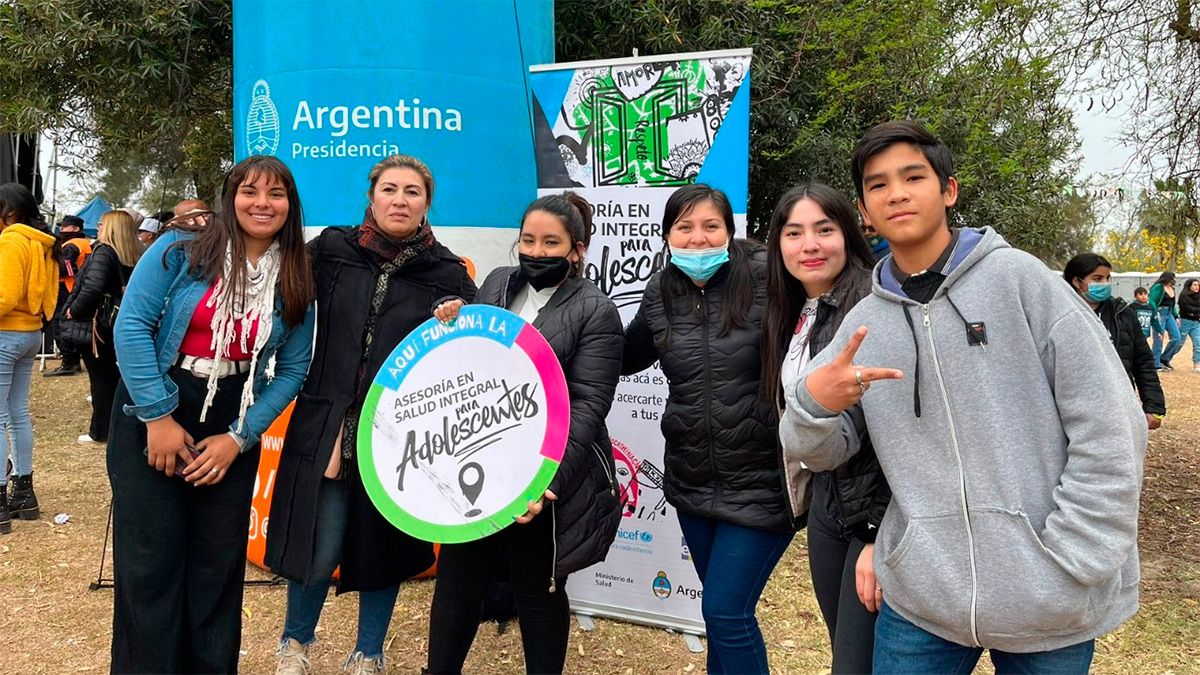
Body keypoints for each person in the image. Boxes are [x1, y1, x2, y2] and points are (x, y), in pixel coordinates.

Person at [784, 120, 1146, 673]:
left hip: (1048, 596)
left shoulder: (1024, 283)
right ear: (864, 209)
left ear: (949, 190)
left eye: (913, 176)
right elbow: (826, 452)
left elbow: (1111, 425)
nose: (896, 193)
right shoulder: (864, 323)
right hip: (922, 598)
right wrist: (813, 404)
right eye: (878, 185)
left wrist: (1076, 556)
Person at [267, 154, 476, 675]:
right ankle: (295, 645)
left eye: (412, 192)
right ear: (371, 196)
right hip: (328, 419)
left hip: (398, 436)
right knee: (318, 539)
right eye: (390, 189)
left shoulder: (447, 271)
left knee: (381, 545)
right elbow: (280, 291)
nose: (400, 200)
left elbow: (472, 351)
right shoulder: (332, 249)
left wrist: (455, 319)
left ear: (427, 203)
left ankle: (369, 652)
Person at [109, 156, 316, 672]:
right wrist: (157, 417)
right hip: (158, 398)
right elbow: (131, 328)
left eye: (276, 195)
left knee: (215, 570)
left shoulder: (295, 277)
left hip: (232, 414)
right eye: (250, 192)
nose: (262, 204)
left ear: (291, 206)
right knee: (150, 567)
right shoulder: (181, 251)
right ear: (231, 197)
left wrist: (238, 439)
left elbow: (292, 370)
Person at [425, 192, 624, 675]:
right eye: (528, 240)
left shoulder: (596, 310)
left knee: (538, 591)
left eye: (551, 242)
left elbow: (588, 406)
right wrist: (448, 313)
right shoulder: (496, 283)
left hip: (542, 474)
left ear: (577, 249)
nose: (537, 251)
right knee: (457, 584)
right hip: (480, 463)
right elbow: (467, 359)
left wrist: (545, 481)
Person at [622, 183, 793, 674]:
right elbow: (626, 355)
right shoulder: (661, 291)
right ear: (668, 235)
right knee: (722, 618)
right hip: (692, 478)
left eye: (710, 226)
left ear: (729, 229)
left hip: (761, 480)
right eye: (684, 227)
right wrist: (578, 309)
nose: (698, 239)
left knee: (724, 612)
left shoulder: (768, 277)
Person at [765, 183, 888, 674]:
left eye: (824, 230)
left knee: (857, 664)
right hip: (827, 503)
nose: (809, 245)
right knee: (844, 648)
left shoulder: (874, 304)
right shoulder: (795, 307)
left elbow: (900, 428)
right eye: (794, 233)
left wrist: (878, 533)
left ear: (850, 232)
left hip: (872, 512)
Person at [0, 183, 59, 533]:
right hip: (31, 332)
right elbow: (50, 295)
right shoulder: (42, 242)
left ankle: (2, 502)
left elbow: (4, 294)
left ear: (9, 211)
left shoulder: (11, 241)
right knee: (18, 412)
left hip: (6, 331)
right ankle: (25, 492)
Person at [64, 210, 142, 444]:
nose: (97, 228)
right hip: (121, 322)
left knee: (100, 378)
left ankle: (101, 430)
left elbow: (92, 286)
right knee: (115, 377)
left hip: (99, 324)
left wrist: (74, 310)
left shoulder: (104, 251)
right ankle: (119, 427)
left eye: (101, 224)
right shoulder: (135, 253)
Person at [1062, 254, 1165, 429]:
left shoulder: (1123, 313)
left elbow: (1143, 360)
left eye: (1108, 278)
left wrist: (1154, 405)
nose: (1105, 283)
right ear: (1077, 282)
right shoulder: (1060, 315)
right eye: (1097, 278)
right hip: (1072, 409)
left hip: (1117, 405)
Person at [45, 214, 90, 377]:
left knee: (60, 324)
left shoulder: (70, 245)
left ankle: (69, 362)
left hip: (67, 288)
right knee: (75, 325)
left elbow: (67, 268)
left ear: (76, 229)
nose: (61, 230)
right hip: (81, 289)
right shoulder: (86, 243)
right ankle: (74, 360)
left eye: (64, 227)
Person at [1149, 271, 1182, 370]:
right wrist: (1154, 313)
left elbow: (1173, 304)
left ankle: (1164, 358)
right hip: (1160, 313)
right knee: (1159, 339)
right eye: (1172, 278)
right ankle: (1156, 364)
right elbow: (1152, 300)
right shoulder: (1158, 287)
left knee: (1177, 338)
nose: (1174, 280)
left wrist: (1176, 317)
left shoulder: (1172, 289)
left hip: (1169, 313)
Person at [1177, 278, 1200, 372]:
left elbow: (1194, 309)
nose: (1197, 287)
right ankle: (1164, 359)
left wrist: (1194, 312)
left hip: (1196, 323)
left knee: (1198, 344)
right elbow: (1186, 308)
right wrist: (1195, 311)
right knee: (1179, 344)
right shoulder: (1183, 296)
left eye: (1198, 285)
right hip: (1185, 321)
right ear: (1189, 286)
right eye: (1194, 285)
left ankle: (1197, 365)